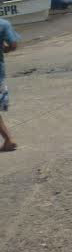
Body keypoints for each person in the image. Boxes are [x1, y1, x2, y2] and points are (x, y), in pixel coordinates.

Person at [0, 17, 21, 152]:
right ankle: (8, 139)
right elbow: (13, 45)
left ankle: (8, 139)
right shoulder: (3, 24)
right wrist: (4, 49)